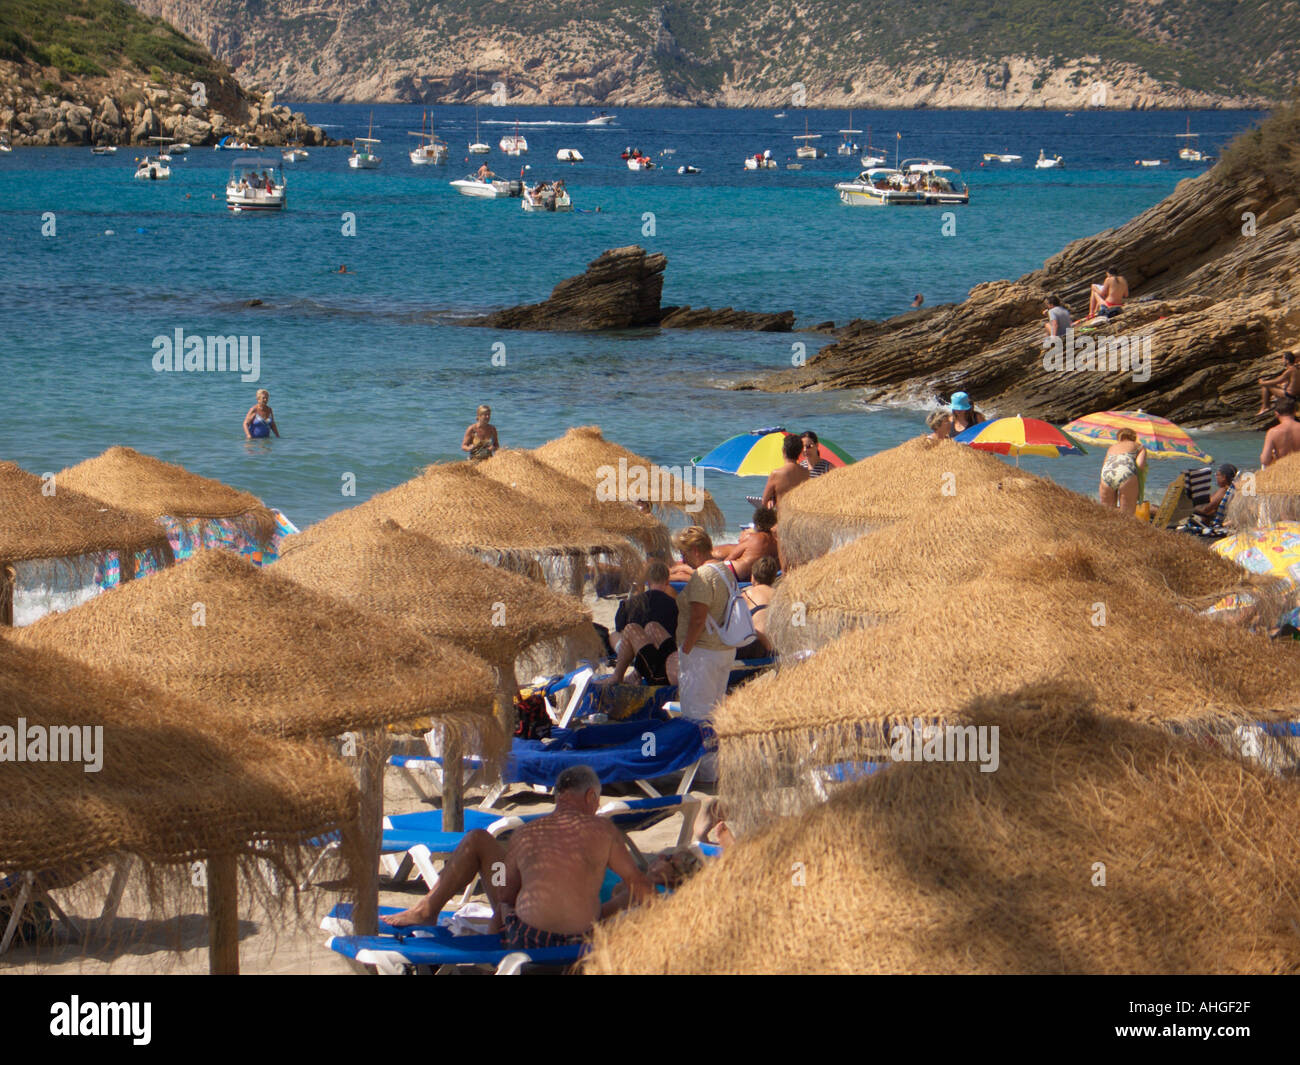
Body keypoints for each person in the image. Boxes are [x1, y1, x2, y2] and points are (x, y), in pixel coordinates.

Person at [387, 765, 653, 943]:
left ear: (558, 798)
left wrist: (504, 887)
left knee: (479, 841)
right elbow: (637, 884)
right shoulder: (604, 831)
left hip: (529, 938)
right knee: (483, 844)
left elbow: (505, 894)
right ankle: (429, 910)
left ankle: (428, 909)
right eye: (597, 802)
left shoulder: (526, 834)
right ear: (591, 796)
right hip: (579, 939)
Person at [673, 526, 739, 779]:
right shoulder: (725, 570)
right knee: (714, 708)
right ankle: (715, 765)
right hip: (723, 649)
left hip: (703, 651)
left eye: (683, 553)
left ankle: (703, 770)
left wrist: (686, 648)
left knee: (696, 711)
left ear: (695, 550)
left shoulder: (702, 575)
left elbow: (699, 617)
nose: (682, 560)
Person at [611, 560, 679, 685]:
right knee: (651, 627)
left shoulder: (629, 604)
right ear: (668, 582)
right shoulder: (675, 605)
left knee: (616, 634)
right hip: (664, 655)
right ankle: (636, 671)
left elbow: (620, 629)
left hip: (639, 655)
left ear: (648, 581)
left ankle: (619, 674)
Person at [709, 506, 779, 581]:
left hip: (734, 571)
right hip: (750, 576)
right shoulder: (777, 543)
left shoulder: (752, 537)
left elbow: (731, 557)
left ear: (757, 524)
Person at [734, 555, 778, 661]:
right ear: (774, 577)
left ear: (752, 576)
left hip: (757, 650)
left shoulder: (745, 595)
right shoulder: (782, 594)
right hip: (778, 648)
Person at [1098, 427, 1147, 514]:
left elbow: (1104, 466)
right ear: (1134, 437)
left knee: (1107, 513)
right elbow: (1140, 466)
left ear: (1119, 437)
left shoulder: (1112, 448)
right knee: (1127, 514)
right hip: (1126, 473)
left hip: (1107, 474)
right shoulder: (1140, 446)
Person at [761, 434, 811, 510]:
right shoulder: (807, 473)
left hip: (783, 517)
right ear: (800, 452)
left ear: (783, 450)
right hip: (799, 517)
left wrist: (770, 502)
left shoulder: (776, 474)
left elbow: (764, 502)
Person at [1261, 396, 1300, 467]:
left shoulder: (1273, 432)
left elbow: (1265, 460)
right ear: (1295, 412)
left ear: (1276, 414)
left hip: (1284, 469)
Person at [1257, 352, 1300, 416]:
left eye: (1283, 359)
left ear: (1287, 361)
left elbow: (1278, 381)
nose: (1282, 361)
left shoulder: (1290, 370)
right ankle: (1274, 400)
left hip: (1289, 395)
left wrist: (1263, 382)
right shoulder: (1296, 368)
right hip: (1296, 394)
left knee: (1266, 386)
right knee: (1275, 386)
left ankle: (1265, 407)